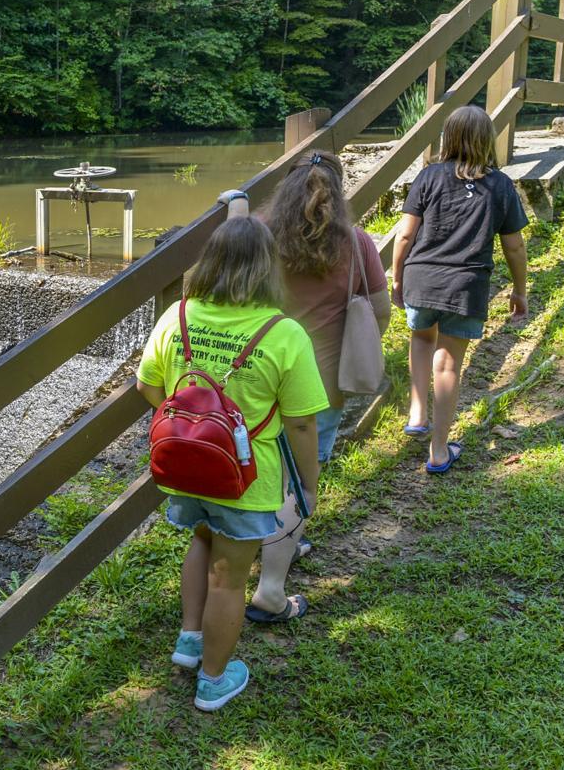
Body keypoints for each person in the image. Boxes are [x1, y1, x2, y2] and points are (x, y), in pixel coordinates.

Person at [136, 217, 327, 711]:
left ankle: (191, 640)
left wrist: (191, 425)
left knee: (202, 539)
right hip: (246, 478)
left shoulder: (177, 316)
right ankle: (214, 681)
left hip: (186, 468)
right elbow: (302, 424)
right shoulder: (283, 333)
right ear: (267, 268)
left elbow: (148, 386)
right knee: (230, 577)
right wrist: (308, 483)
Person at [247, 152, 390, 623]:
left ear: (285, 191)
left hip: (257, 376)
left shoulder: (259, 234)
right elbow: (381, 312)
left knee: (261, 463)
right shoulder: (356, 243)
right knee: (303, 478)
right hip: (322, 384)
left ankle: (262, 540)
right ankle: (271, 588)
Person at [391, 106, 529, 473]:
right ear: (487, 140)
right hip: (465, 286)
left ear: (448, 138)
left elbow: (404, 235)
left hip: (422, 277)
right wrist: (520, 290)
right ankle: (438, 451)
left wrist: (397, 278)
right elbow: (514, 247)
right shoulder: (500, 186)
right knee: (448, 363)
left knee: (421, 338)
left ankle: (417, 413)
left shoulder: (428, 176)